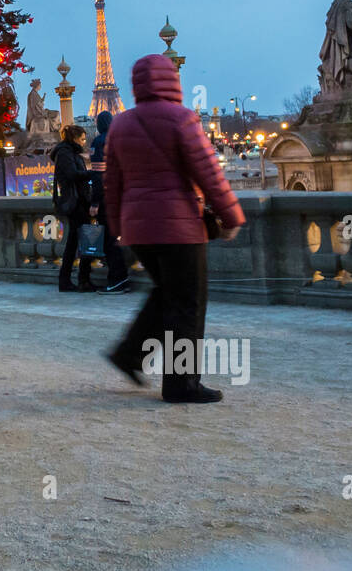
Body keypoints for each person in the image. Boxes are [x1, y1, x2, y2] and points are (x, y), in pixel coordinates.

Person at [101, 54, 245, 404]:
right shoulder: (182, 119)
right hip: (179, 227)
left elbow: (112, 184)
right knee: (187, 305)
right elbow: (209, 174)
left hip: (140, 230)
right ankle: (181, 384)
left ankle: (129, 352)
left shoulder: (120, 124)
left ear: (136, 85)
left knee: (167, 293)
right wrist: (232, 216)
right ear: (172, 80)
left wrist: (119, 228)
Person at [88, 110, 131, 294]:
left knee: (108, 241)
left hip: (107, 198)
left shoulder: (98, 142)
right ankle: (121, 278)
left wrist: (95, 202)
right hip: (122, 197)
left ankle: (117, 279)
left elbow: (99, 176)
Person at [50, 125, 96, 292]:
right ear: (74, 138)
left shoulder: (68, 152)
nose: (84, 142)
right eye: (82, 139)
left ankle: (69, 279)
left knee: (75, 242)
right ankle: (80, 279)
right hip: (75, 203)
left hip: (77, 202)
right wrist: (92, 173)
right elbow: (71, 175)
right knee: (82, 241)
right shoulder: (65, 153)